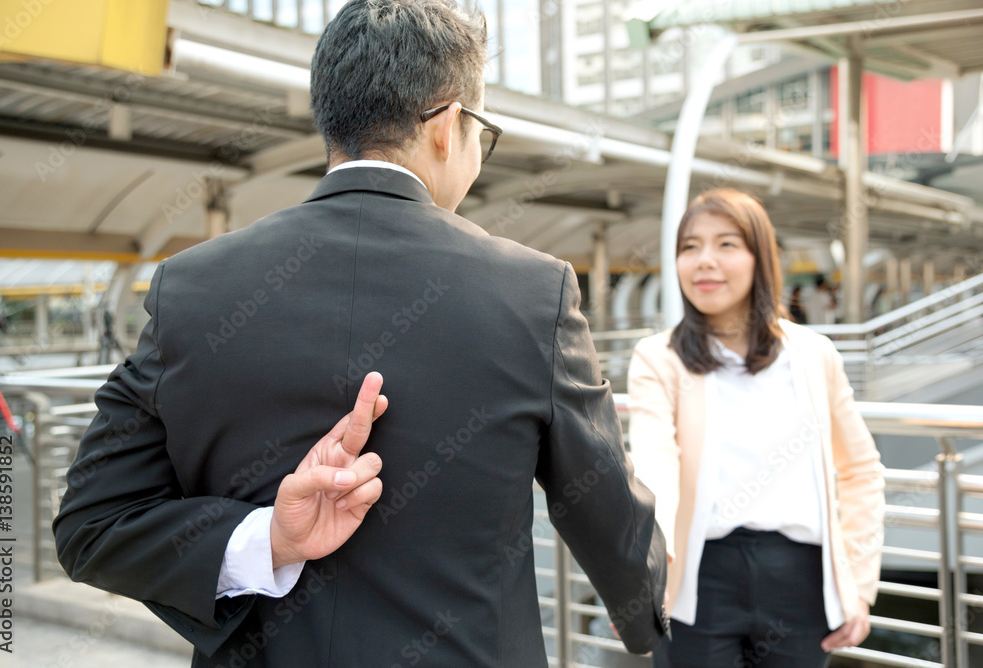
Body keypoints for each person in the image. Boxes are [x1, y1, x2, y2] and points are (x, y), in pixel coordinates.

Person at [53, 1, 668, 666]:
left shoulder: (194, 286)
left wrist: (268, 541)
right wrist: (654, 626)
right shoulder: (532, 292)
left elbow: (93, 524)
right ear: (447, 125)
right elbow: (607, 513)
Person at [627, 189, 884, 667]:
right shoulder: (658, 358)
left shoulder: (813, 354)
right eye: (690, 247)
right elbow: (654, 469)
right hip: (700, 575)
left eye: (727, 244)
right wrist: (646, 575)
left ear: (760, 257)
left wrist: (860, 587)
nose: (705, 261)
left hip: (802, 580)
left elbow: (862, 472)